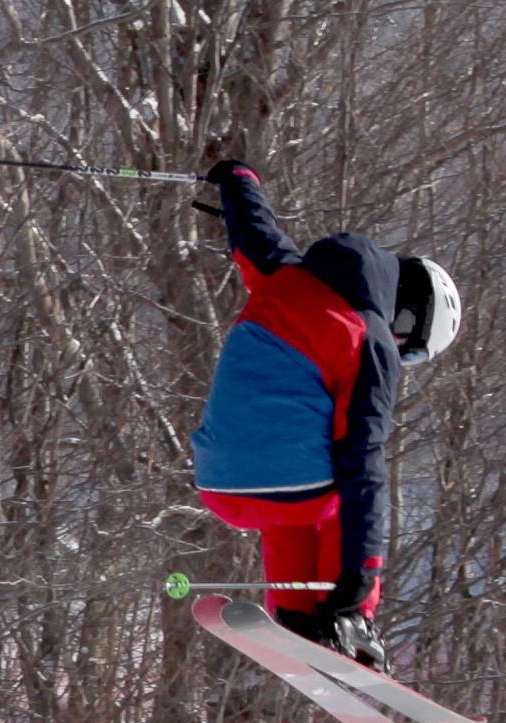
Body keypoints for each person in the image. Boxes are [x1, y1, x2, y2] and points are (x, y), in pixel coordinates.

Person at [189, 159, 461, 668]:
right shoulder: (369, 340)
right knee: (337, 489)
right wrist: (357, 591)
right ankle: (342, 621)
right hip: (291, 488)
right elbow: (365, 465)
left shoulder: (283, 274)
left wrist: (236, 179)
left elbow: (252, 229)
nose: (402, 356)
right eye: (412, 349)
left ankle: (295, 613)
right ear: (407, 318)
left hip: (218, 485)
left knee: (295, 499)